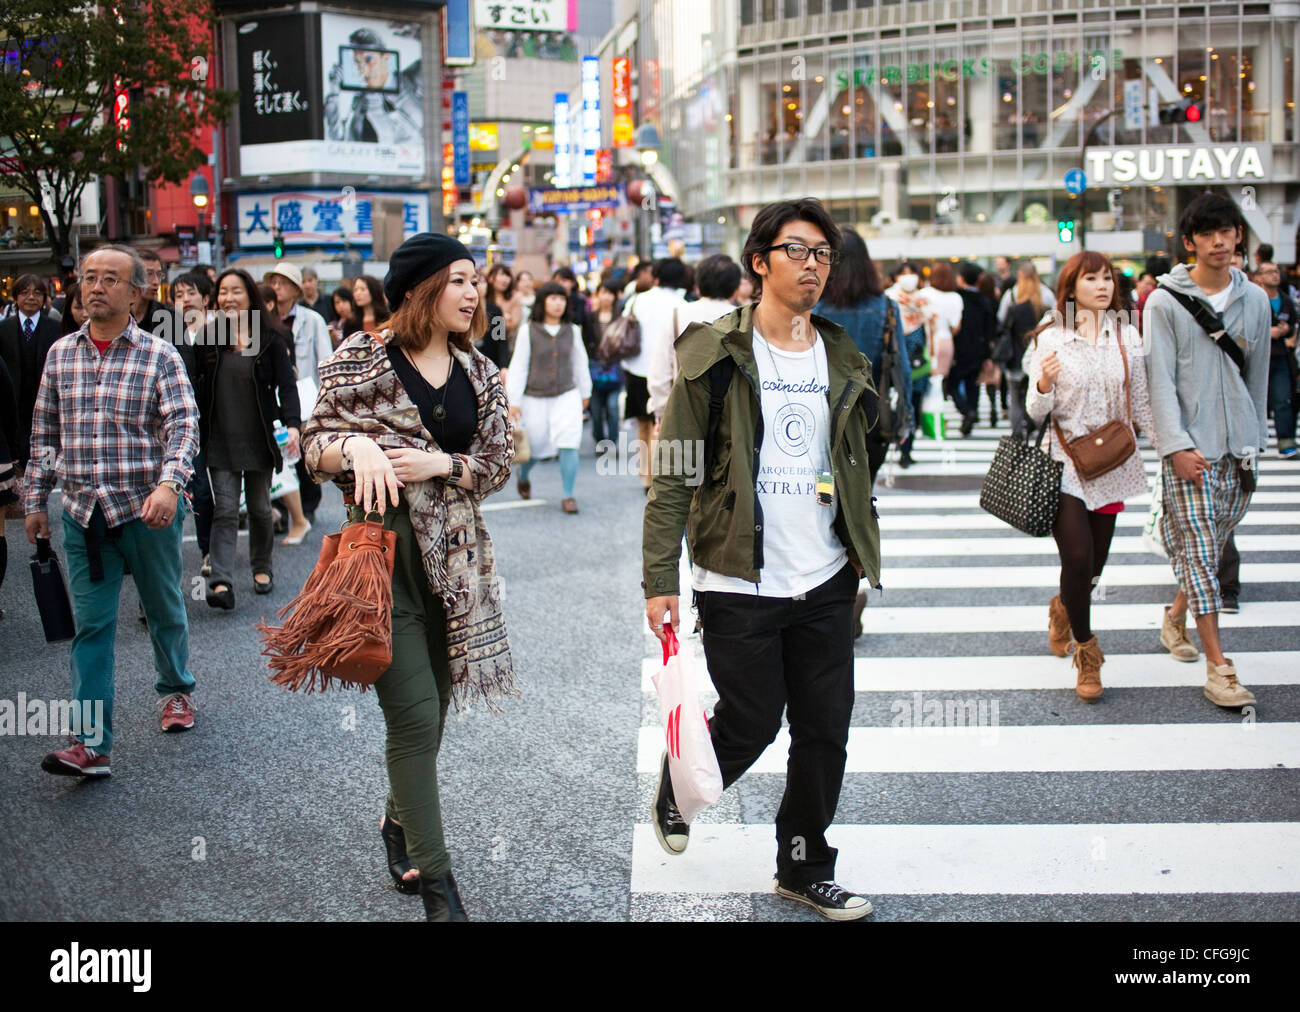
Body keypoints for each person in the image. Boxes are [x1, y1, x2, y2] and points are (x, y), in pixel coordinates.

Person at [643, 198, 882, 921]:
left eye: (823, 254)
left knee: (824, 728)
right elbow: (676, 471)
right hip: (737, 575)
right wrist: (660, 579)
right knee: (751, 719)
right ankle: (681, 786)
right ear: (758, 261)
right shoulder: (712, 355)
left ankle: (803, 866)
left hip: (826, 574)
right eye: (797, 251)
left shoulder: (843, 353)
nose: (812, 266)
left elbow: (859, 450)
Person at [301, 232, 518, 921]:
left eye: (476, 280)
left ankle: (398, 823)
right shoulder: (357, 361)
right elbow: (313, 447)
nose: (472, 291)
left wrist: (441, 466)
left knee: (438, 708)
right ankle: (440, 888)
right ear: (421, 288)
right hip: (380, 562)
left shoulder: (478, 371)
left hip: (456, 565)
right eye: (458, 279)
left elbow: (496, 462)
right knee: (416, 714)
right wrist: (356, 443)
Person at [25, 245, 200, 777]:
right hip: (82, 515)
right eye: (89, 278)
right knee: (92, 628)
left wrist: (170, 486)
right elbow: (45, 435)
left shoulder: (159, 356)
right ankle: (90, 744)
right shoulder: (60, 355)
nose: (95, 287)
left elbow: (184, 428)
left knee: (165, 609)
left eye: (109, 279)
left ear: (137, 294)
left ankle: (174, 690)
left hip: (146, 512)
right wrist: (35, 499)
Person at [1143, 193, 1271, 708]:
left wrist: (1254, 438)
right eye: (1208, 234)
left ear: (1239, 236)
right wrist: (1175, 446)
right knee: (1200, 553)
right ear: (1190, 241)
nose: (1220, 242)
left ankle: (1175, 618)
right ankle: (1220, 667)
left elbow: (1258, 375)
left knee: (1213, 542)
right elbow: (1159, 382)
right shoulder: (1164, 301)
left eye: (1228, 231)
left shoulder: (1256, 300)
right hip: (1189, 450)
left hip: (1237, 446)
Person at [1026, 251, 1157, 701]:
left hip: (1112, 464)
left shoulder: (1127, 337)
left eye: (1107, 279)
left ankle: (1064, 606)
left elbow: (1139, 403)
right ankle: (1087, 650)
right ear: (1072, 286)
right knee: (1078, 557)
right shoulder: (1051, 336)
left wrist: (1171, 449)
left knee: (1094, 567)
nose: (1102, 286)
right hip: (1063, 462)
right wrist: (1043, 384)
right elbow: (1034, 409)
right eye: (1091, 278)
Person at [197, 269, 301, 609]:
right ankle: (221, 581)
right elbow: (195, 386)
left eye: (236, 291)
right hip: (219, 438)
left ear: (250, 296)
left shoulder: (271, 337)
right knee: (225, 509)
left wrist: (294, 424)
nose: (228, 298)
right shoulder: (209, 336)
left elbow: (287, 385)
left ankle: (261, 567)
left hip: (258, 436)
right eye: (223, 292)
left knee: (259, 508)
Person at [506, 281, 591, 512]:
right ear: (542, 303)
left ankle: (568, 495)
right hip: (534, 397)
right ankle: (523, 475)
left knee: (568, 442)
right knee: (536, 444)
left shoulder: (572, 330)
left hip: (566, 395)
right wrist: (514, 401)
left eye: (561, 299)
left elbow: (580, 362)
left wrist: (585, 392)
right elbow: (519, 366)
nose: (557, 303)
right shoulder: (528, 330)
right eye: (552, 299)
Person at [265, 262, 334, 535]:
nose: (277, 288)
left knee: (306, 454)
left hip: (306, 398)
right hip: (274, 398)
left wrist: (325, 402)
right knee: (279, 454)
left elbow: (325, 361)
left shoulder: (311, 319)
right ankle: (282, 509)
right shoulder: (263, 320)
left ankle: (307, 506)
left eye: (282, 283)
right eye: (273, 282)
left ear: (295, 289)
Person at [650, 253, 741, 423]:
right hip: (732, 417)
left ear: (697, 286)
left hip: (683, 411)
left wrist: (662, 412)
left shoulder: (676, 315)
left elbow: (659, 372)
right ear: (735, 290)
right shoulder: (742, 319)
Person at [624, 259, 688, 490]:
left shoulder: (637, 300)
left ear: (656, 277)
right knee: (659, 424)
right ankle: (656, 476)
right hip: (668, 371)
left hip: (637, 368)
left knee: (643, 423)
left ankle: (645, 474)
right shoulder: (682, 304)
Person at [171, 270, 216, 574]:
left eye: (190, 293)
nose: (184, 300)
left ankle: (216, 547)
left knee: (219, 488)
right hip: (186, 423)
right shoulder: (168, 335)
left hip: (219, 418)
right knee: (199, 488)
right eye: (178, 295)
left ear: (205, 298)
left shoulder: (220, 331)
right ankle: (207, 551)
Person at [0, 275, 62, 487]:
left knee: (46, 443)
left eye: (37, 293)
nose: (31, 297)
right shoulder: (3, 328)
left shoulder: (55, 327)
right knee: (18, 445)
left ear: (44, 298)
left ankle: (45, 480)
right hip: (13, 400)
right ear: (15, 297)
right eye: (25, 292)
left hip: (44, 396)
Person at [1253, 260, 1298, 458]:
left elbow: (1295, 323)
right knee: (1253, 400)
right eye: (1269, 272)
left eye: (1276, 271)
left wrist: (1289, 334)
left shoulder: (1286, 300)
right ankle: (1251, 442)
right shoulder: (1253, 298)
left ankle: (1286, 442)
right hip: (1256, 357)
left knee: (1283, 398)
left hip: (1280, 356)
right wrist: (1266, 333)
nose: (1275, 275)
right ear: (1260, 277)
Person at [887, 261, 929, 467]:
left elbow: (933, 328)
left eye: (912, 273)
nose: (908, 277)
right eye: (904, 273)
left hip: (918, 360)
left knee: (913, 404)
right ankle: (897, 441)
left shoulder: (924, 299)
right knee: (896, 403)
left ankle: (906, 449)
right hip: (895, 357)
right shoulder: (889, 298)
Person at [1000, 265, 1049, 440]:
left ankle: (1017, 433)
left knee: (1015, 398)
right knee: (1035, 392)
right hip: (1039, 354)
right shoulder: (1045, 294)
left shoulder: (1012, 295)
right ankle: (1032, 427)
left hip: (1015, 353)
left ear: (1020, 275)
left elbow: (1001, 319)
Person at [581, 280, 626, 448]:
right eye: (603, 292)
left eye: (610, 293)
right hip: (594, 369)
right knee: (597, 410)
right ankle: (599, 439)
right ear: (597, 295)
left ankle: (612, 441)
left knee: (613, 408)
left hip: (615, 369)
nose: (606, 297)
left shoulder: (621, 318)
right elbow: (585, 342)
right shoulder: (590, 318)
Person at [953, 262, 995, 436]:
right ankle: (972, 411)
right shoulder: (984, 301)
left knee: (952, 383)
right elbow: (990, 330)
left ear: (961, 278)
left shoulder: (956, 298)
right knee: (973, 384)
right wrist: (987, 355)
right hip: (978, 348)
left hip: (959, 348)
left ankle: (966, 411)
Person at [996, 260, 1055, 326]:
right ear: (1036, 274)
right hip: (1040, 334)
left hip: (1017, 335)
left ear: (1019, 274)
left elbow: (1001, 317)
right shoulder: (1047, 293)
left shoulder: (1011, 294)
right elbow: (1054, 317)